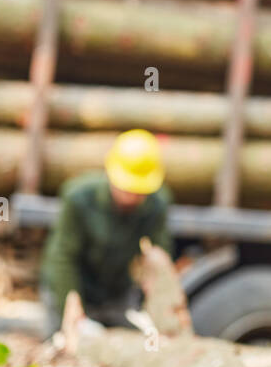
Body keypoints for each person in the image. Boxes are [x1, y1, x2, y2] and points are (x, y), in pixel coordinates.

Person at [38, 129, 174, 333]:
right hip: (74, 285)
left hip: (115, 292)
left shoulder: (157, 204)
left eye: (139, 191)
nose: (132, 197)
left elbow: (159, 251)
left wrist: (154, 284)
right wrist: (72, 304)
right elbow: (62, 257)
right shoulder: (79, 197)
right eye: (127, 189)